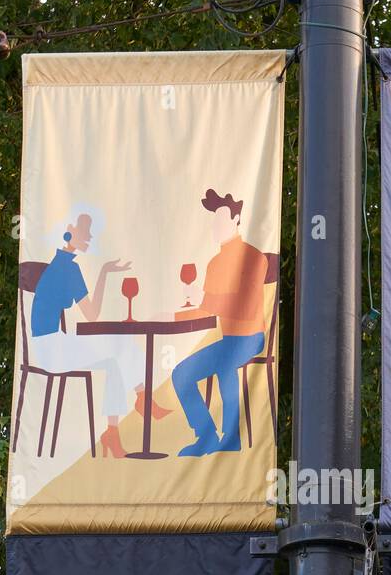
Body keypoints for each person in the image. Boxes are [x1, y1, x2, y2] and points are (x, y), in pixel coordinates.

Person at [30, 213, 168, 458]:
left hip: (50, 345)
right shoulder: (68, 269)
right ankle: (143, 397)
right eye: (86, 231)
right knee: (121, 343)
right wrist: (104, 272)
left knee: (116, 358)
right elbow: (92, 314)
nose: (89, 237)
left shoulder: (58, 265)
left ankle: (112, 432)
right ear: (71, 231)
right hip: (53, 348)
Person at [171, 189, 267, 456]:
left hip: (251, 337)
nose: (216, 227)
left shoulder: (253, 257)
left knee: (226, 363)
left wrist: (204, 298)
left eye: (222, 221)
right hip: (228, 341)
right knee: (181, 374)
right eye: (214, 222)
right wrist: (171, 317)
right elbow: (207, 309)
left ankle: (230, 438)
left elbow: (244, 307)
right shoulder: (214, 263)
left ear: (237, 219)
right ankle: (207, 435)